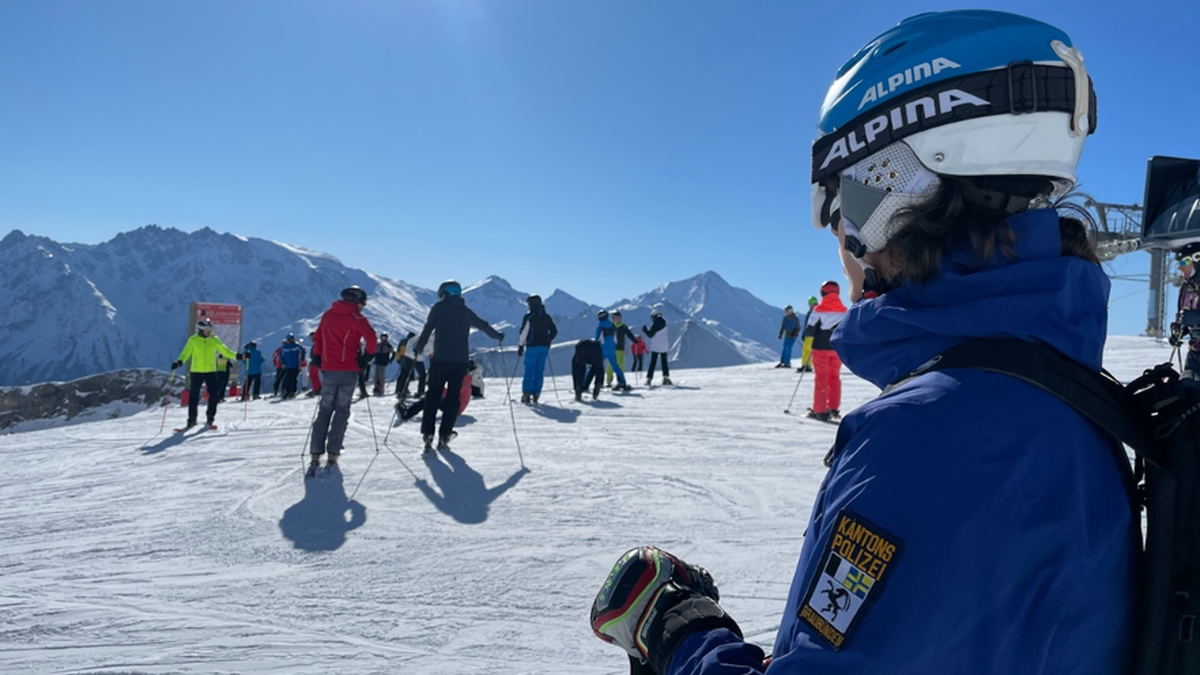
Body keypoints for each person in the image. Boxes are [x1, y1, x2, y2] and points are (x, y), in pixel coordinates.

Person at [590, 10, 1136, 675]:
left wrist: (678, 631)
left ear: (892, 184)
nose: (837, 231)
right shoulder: (1053, 387)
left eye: (840, 196)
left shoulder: (931, 435)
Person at [412, 280, 504, 454]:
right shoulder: (466, 312)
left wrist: (419, 348)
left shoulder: (438, 309)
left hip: (439, 361)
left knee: (432, 396)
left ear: (444, 294)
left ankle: (428, 435)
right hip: (460, 363)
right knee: (453, 399)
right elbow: (483, 325)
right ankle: (445, 435)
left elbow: (427, 329)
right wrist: (497, 336)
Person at [308, 286, 376, 476]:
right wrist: (366, 358)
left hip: (329, 368)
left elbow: (319, 337)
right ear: (359, 301)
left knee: (325, 409)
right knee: (342, 410)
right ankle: (333, 451)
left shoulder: (328, 315)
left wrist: (319, 358)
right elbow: (371, 338)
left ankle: (315, 452)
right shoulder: (357, 318)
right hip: (348, 369)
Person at [172, 318, 238, 430]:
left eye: (210, 329)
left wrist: (239, 356)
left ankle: (210, 419)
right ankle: (192, 419)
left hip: (211, 372)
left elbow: (225, 351)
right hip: (196, 371)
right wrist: (179, 362)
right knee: (194, 396)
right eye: (207, 329)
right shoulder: (193, 340)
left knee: (214, 396)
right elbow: (185, 353)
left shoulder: (215, 340)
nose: (209, 331)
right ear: (201, 329)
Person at [805, 281, 846, 421]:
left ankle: (820, 410)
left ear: (823, 292)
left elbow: (809, 330)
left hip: (820, 348)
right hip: (836, 349)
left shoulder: (818, 310)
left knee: (821, 378)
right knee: (834, 377)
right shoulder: (844, 310)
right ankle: (833, 408)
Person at [518, 294, 558, 404]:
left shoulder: (529, 317)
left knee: (529, 370)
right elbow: (554, 331)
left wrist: (521, 345)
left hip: (532, 346)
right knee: (539, 371)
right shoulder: (546, 317)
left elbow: (524, 333)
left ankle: (527, 394)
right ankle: (536, 394)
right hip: (544, 347)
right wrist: (548, 340)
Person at [1170, 241, 1200, 379]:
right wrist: (1179, 330)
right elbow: (1183, 317)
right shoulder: (1186, 289)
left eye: (1184, 263)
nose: (1179, 268)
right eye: (1179, 263)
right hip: (1195, 353)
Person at [596, 310, 631, 391]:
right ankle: (622, 381)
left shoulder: (600, 327)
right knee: (616, 366)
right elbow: (615, 340)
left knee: (595, 366)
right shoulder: (612, 327)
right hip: (612, 350)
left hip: (603, 350)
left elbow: (597, 338)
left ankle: (584, 384)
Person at [606, 311, 638, 387]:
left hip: (620, 348)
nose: (617, 319)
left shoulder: (623, 326)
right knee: (610, 365)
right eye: (615, 317)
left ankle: (620, 380)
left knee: (620, 365)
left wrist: (634, 340)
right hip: (612, 348)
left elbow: (629, 334)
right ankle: (609, 380)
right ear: (613, 318)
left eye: (618, 317)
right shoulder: (610, 326)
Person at [642, 310, 671, 386]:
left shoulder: (655, 324)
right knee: (664, 362)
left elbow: (650, 335)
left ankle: (649, 379)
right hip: (664, 345)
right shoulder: (664, 323)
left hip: (656, 346)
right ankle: (666, 377)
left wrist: (645, 330)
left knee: (653, 362)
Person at [395, 331, 424, 399]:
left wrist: (399, 359)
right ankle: (419, 391)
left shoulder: (403, 341)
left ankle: (400, 390)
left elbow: (398, 351)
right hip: (415, 359)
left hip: (404, 359)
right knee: (418, 374)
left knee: (404, 374)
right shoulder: (414, 342)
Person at [278, 334, 306, 399]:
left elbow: (303, 352)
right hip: (287, 366)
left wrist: (301, 359)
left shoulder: (296, 346)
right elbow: (281, 356)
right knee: (287, 378)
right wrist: (283, 363)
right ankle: (287, 391)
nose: (292, 340)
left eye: (292, 338)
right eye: (290, 339)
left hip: (295, 365)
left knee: (293, 378)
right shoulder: (285, 347)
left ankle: (292, 391)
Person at [798, 296, 818, 373]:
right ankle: (806, 365)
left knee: (808, 350)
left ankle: (807, 365)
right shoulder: (811, 311)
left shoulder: (815, 312)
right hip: (808, 334)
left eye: (811, 303)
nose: (810, 305)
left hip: (811, 335)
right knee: (806, 350)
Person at [305, 332, 322, 397]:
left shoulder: (317, 344)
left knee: (312, 375)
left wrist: (315, 361)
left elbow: (316, 353)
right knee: (314, 375)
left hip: (316, 362)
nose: (311, 339)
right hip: (316, 361)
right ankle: (319, 387)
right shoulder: (317, 343)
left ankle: (316, 389)